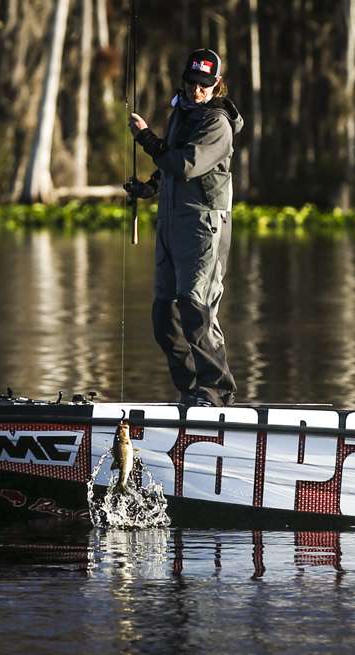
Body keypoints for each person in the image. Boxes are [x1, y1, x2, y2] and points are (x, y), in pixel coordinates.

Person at [127, 48, 243, 407]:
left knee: (197, 308)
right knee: (164, 315)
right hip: (170, 223)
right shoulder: (182, 114)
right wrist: (151, 186)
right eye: (192, 83)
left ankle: (216, 391)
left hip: (203, 226)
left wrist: (147, 139)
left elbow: (188, 164)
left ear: (216, 85)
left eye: (204, 86)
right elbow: (171, 166)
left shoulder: (216, 123)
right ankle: (192, 390)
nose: (197, 91)